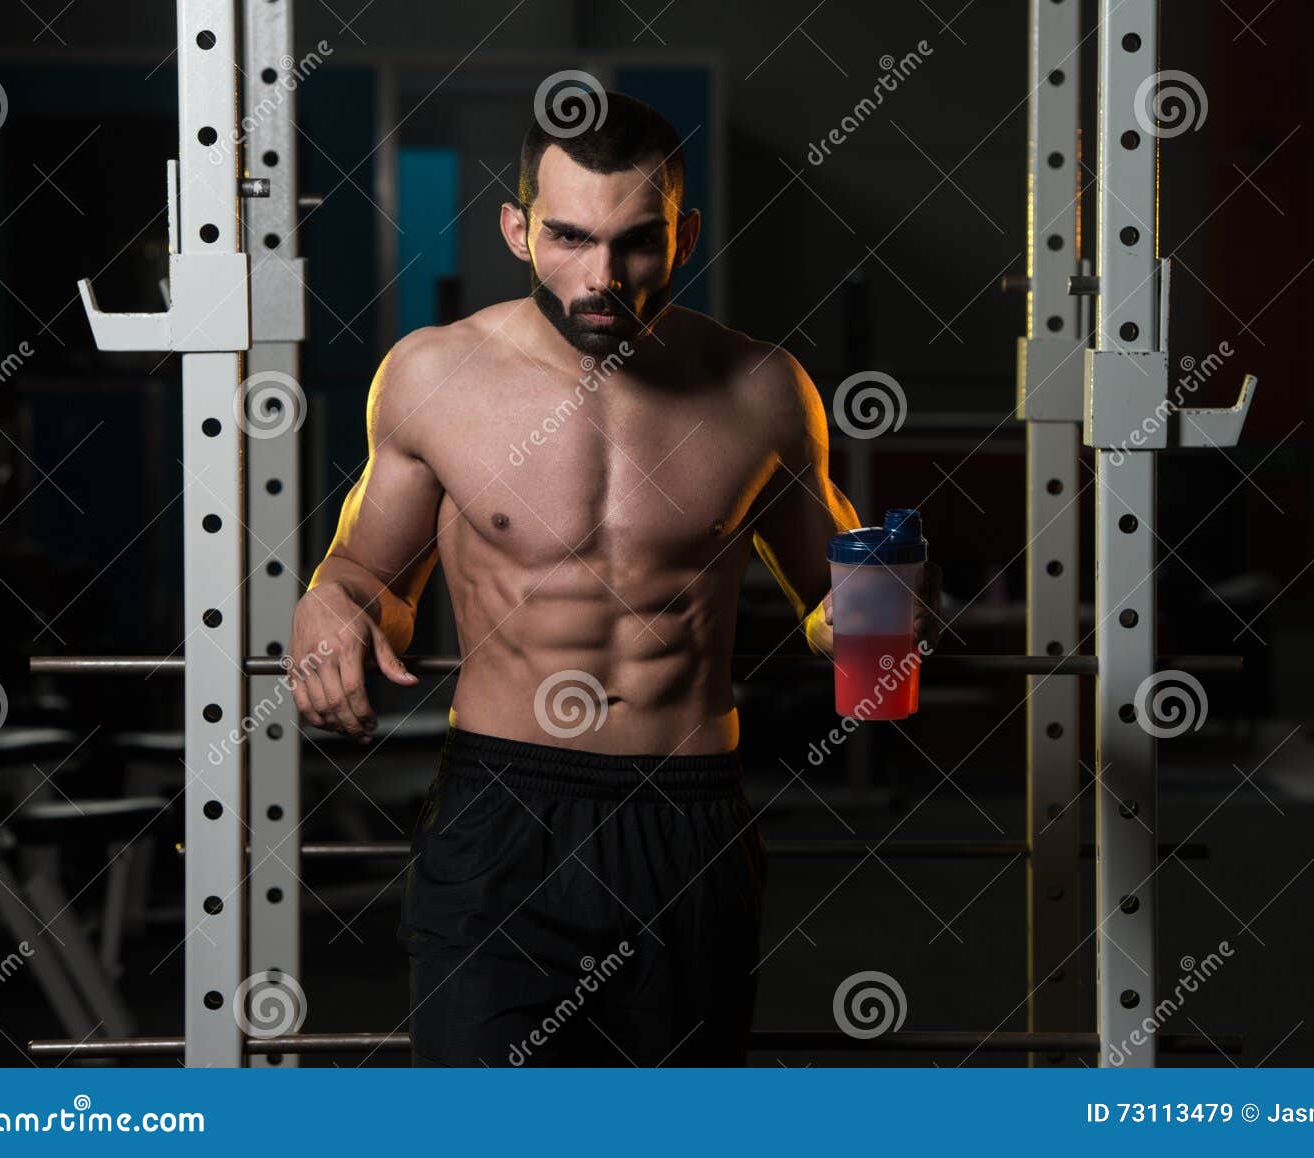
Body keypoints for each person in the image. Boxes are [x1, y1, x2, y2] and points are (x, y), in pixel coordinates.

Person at [284, 90, 939, 1066]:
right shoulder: (432, 377)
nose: (601, 278)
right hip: (501, 809)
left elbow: (830, 599)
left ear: (686, 236)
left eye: (637, 243)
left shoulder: (763, 388)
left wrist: (880, 620)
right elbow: (371, 575)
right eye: (569, 238)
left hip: (687, 814)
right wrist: (328, 603)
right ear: (517, 230)